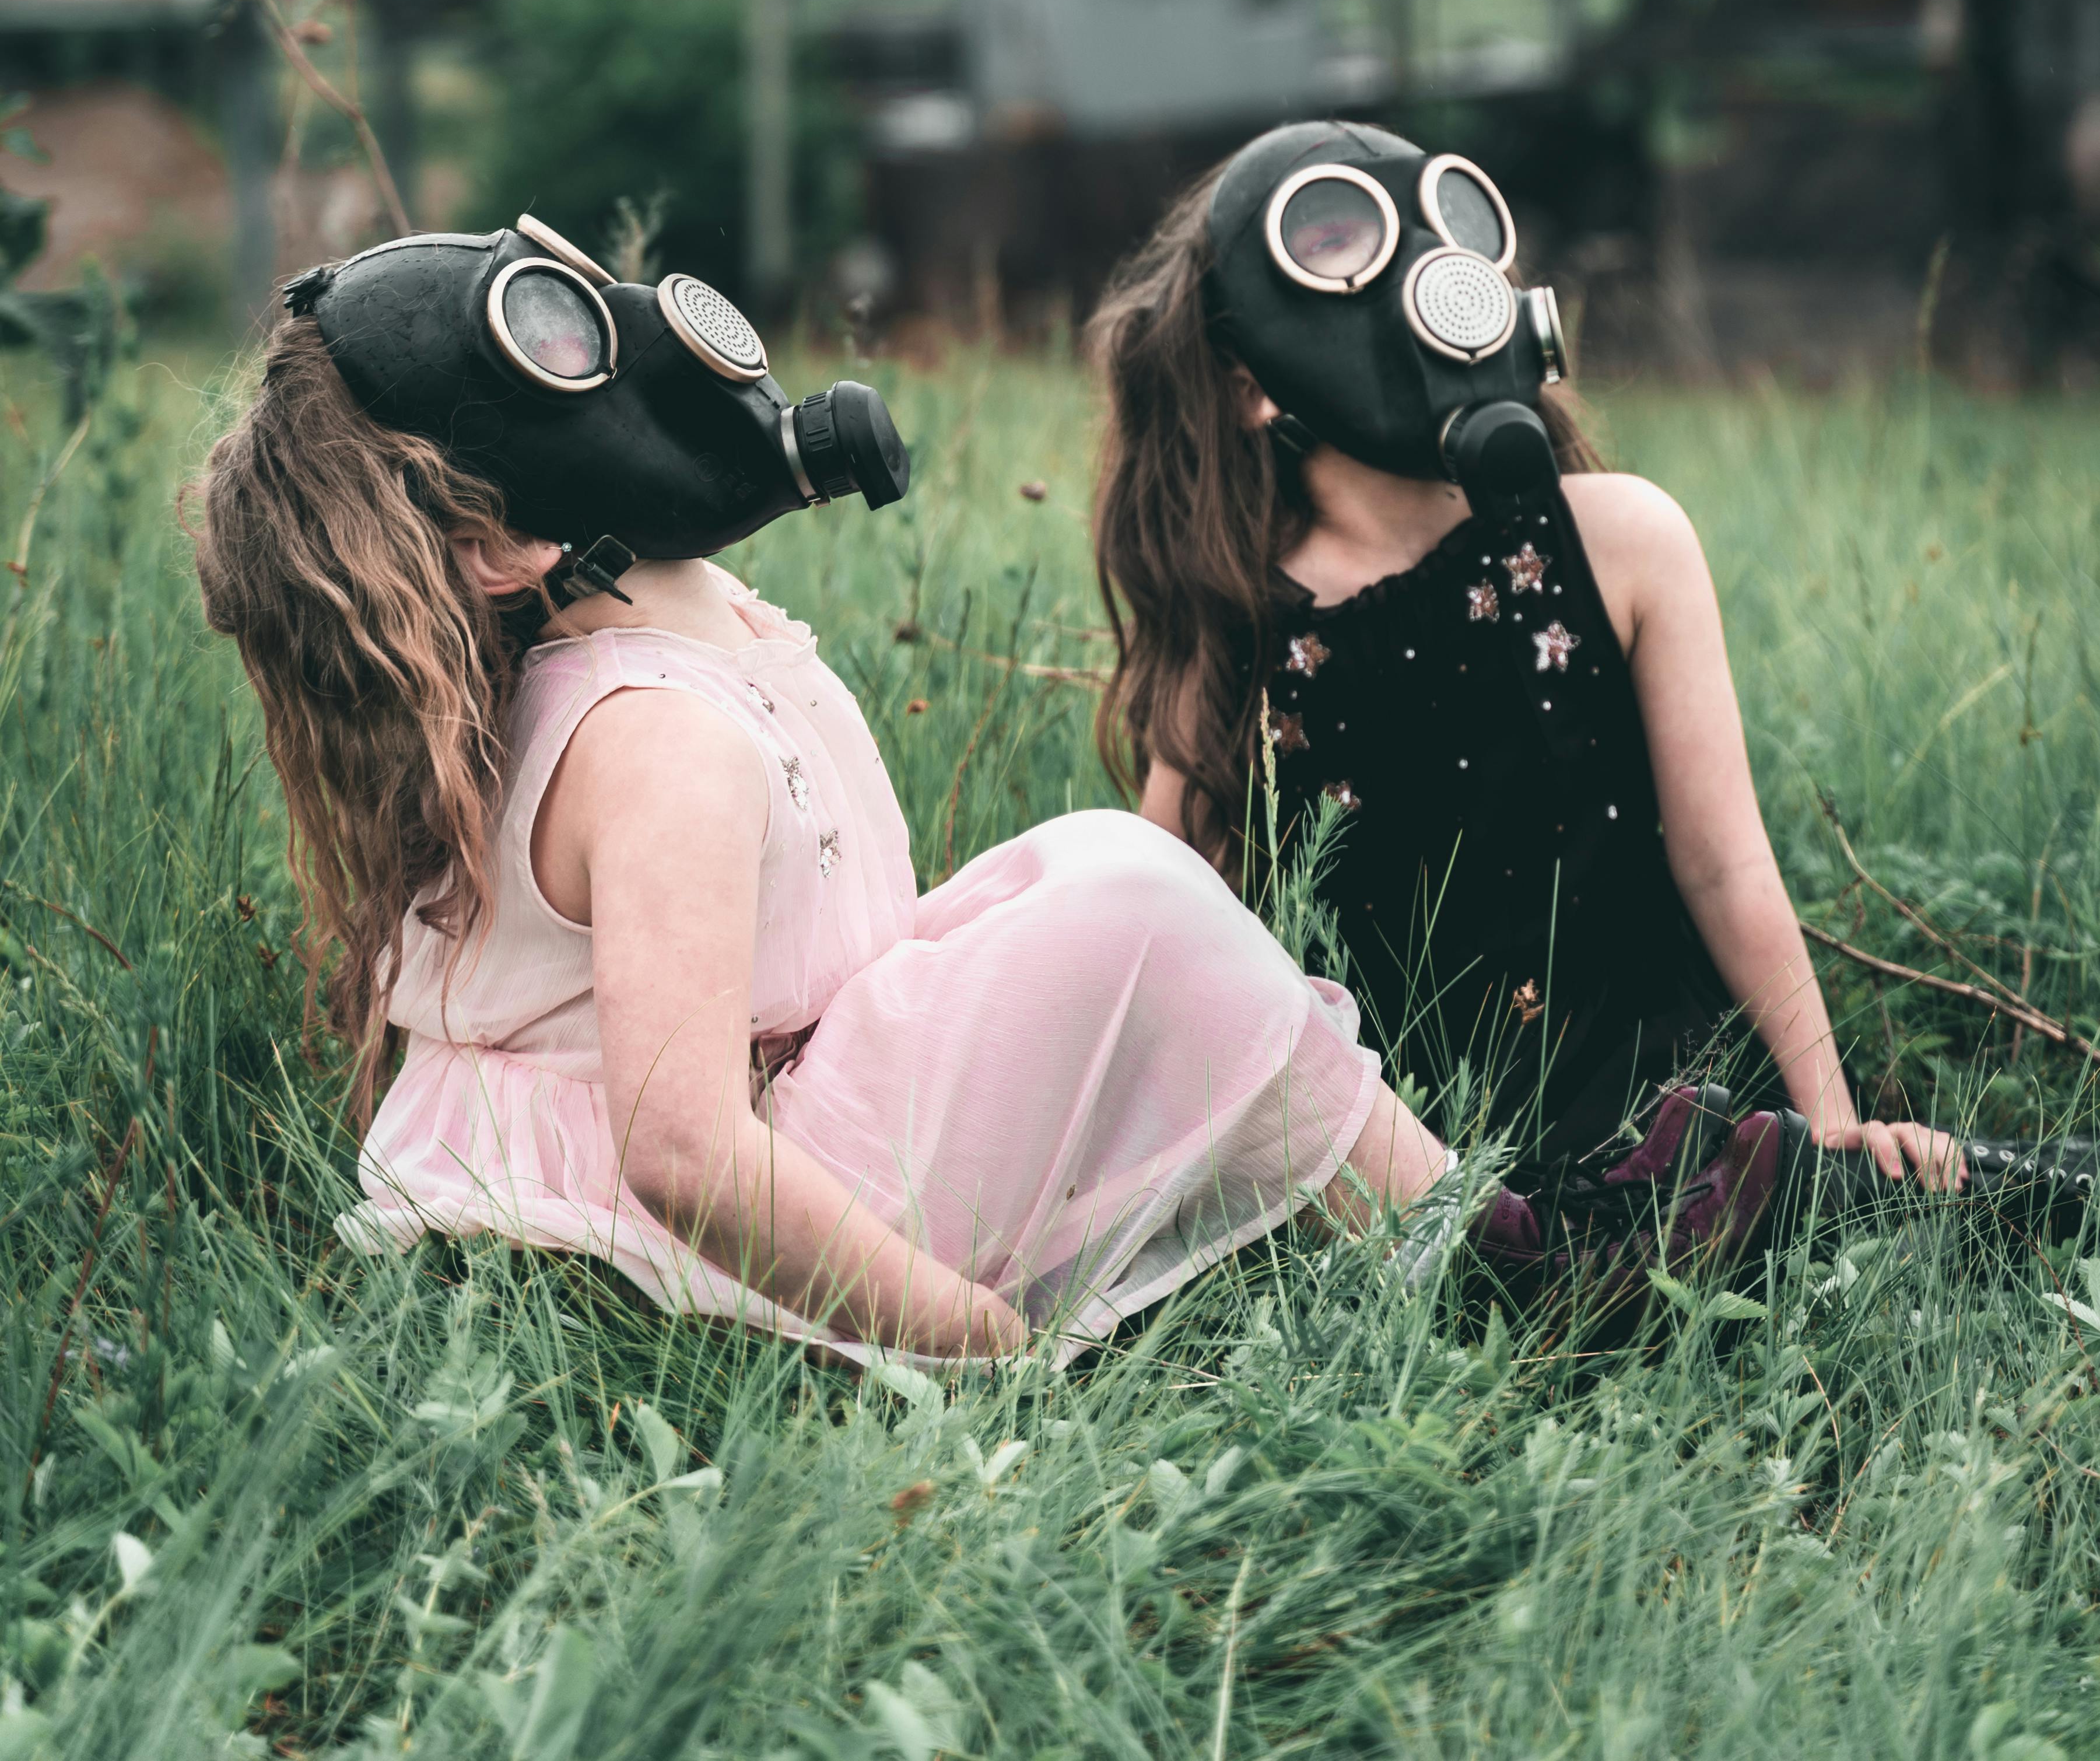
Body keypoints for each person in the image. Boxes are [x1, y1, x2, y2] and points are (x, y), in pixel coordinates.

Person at [191, 215, 1456, 1364]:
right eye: (571, 349)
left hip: (783, 1107)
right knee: (1136, 904)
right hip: (727, 1223)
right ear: (502, 552)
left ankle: (1437, 1220)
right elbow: (682, 1151)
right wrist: (966, 1333)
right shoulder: (653, 741)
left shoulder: (673, 631)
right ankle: (1474, 1248)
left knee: (1074, 870)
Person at [1088, 122, 1968, 1203]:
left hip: (1661, 1098)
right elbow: (1154, 919)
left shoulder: (1621, 541)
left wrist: (1830, 1126)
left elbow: (1723, 865)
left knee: (1973, 1192)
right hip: (1409, 1165)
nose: (1417, 277)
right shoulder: (1236, 619)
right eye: (1338, 246)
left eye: (1440, 230)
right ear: (1244, 382)